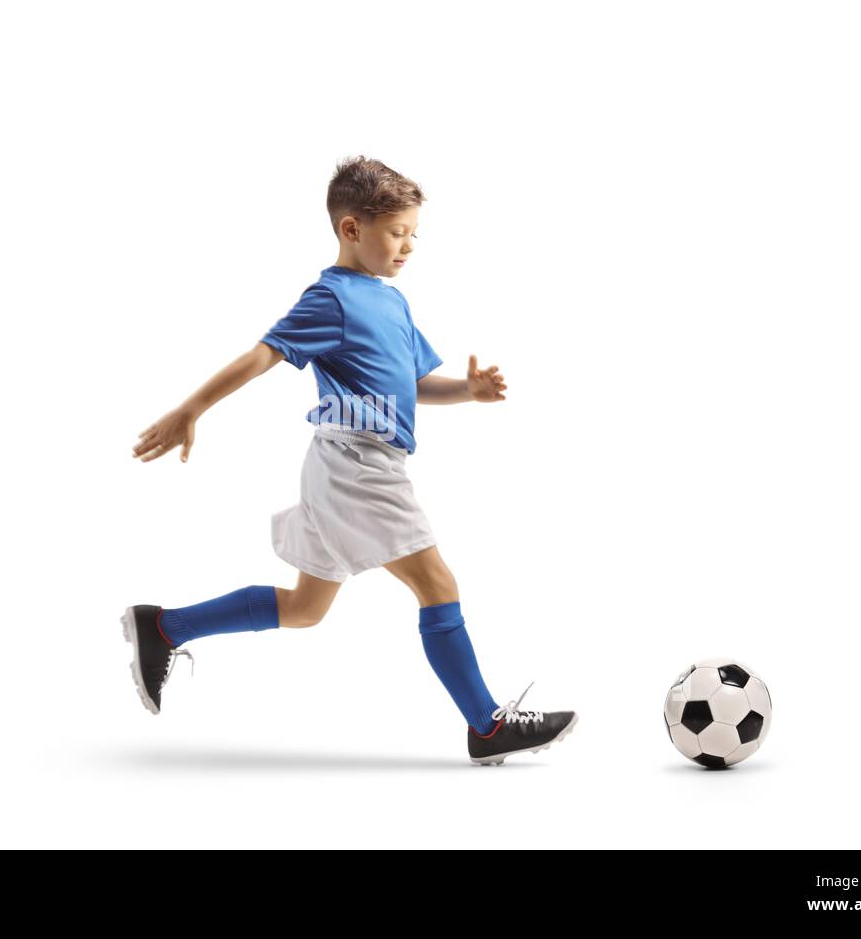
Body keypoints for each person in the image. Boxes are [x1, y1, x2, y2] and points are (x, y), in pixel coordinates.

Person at [123, 155, 577, 765]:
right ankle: (487, 727)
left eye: (415, 233)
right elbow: (263, 354)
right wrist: (191, 409)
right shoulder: (330, 298)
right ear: (351, 229)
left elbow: (412, 384)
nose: (409, 245)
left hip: (351, 466)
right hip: (356, 466)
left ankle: (162, 628)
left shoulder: (391, 301)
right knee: (437, 584)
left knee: (305, 609)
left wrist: (467, 392)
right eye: (397, 232)